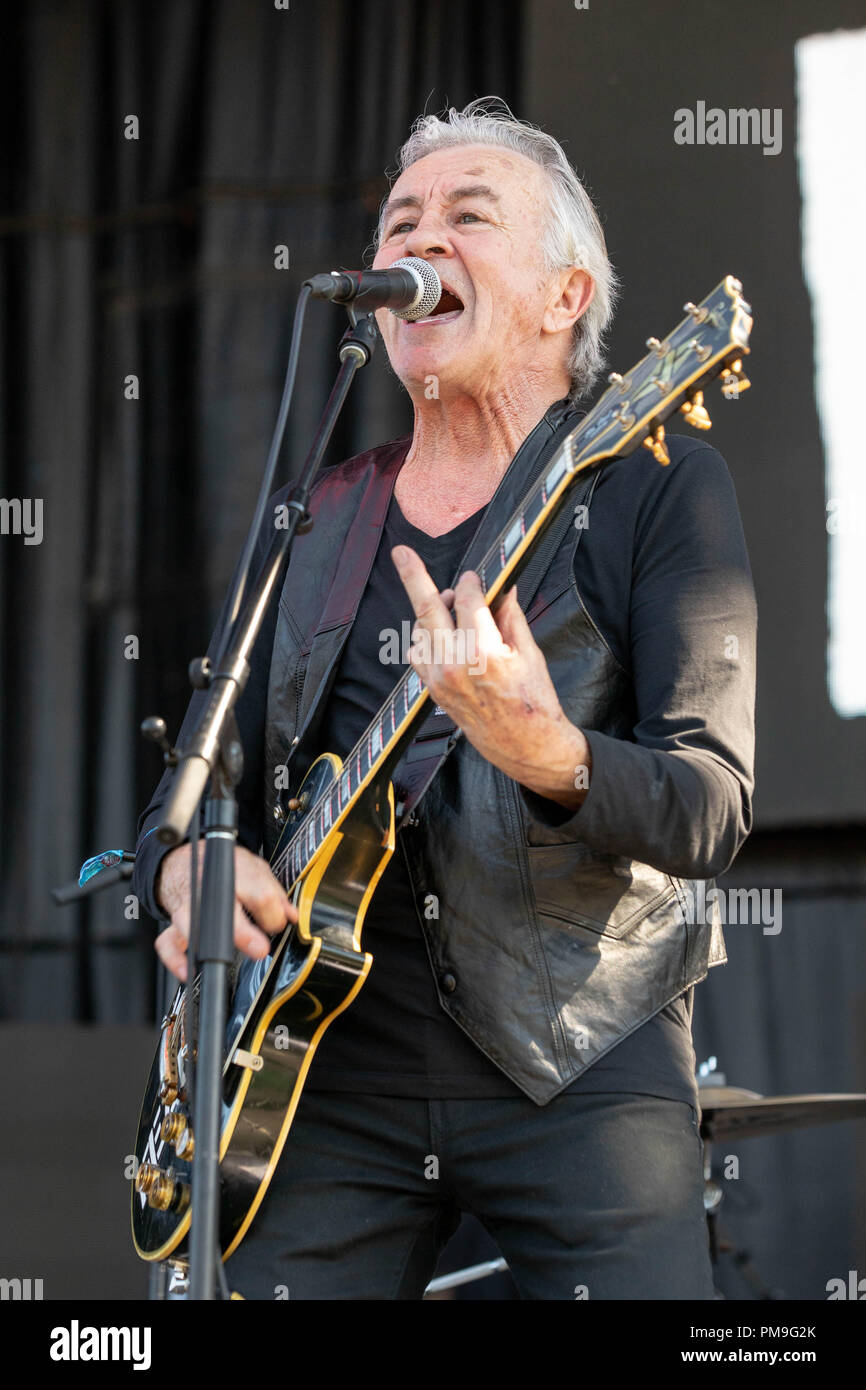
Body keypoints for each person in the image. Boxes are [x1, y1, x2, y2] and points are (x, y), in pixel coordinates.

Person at [133, 98, 756, 1300]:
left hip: (576, 1040)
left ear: (563, 297)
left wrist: (547, 750)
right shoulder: (316, 515)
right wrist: (181, 865)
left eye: (468, 216)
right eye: (401, 219)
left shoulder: (649, 487)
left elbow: (709, 807)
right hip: (322, 1064)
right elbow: (190, 779)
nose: (421, 239)